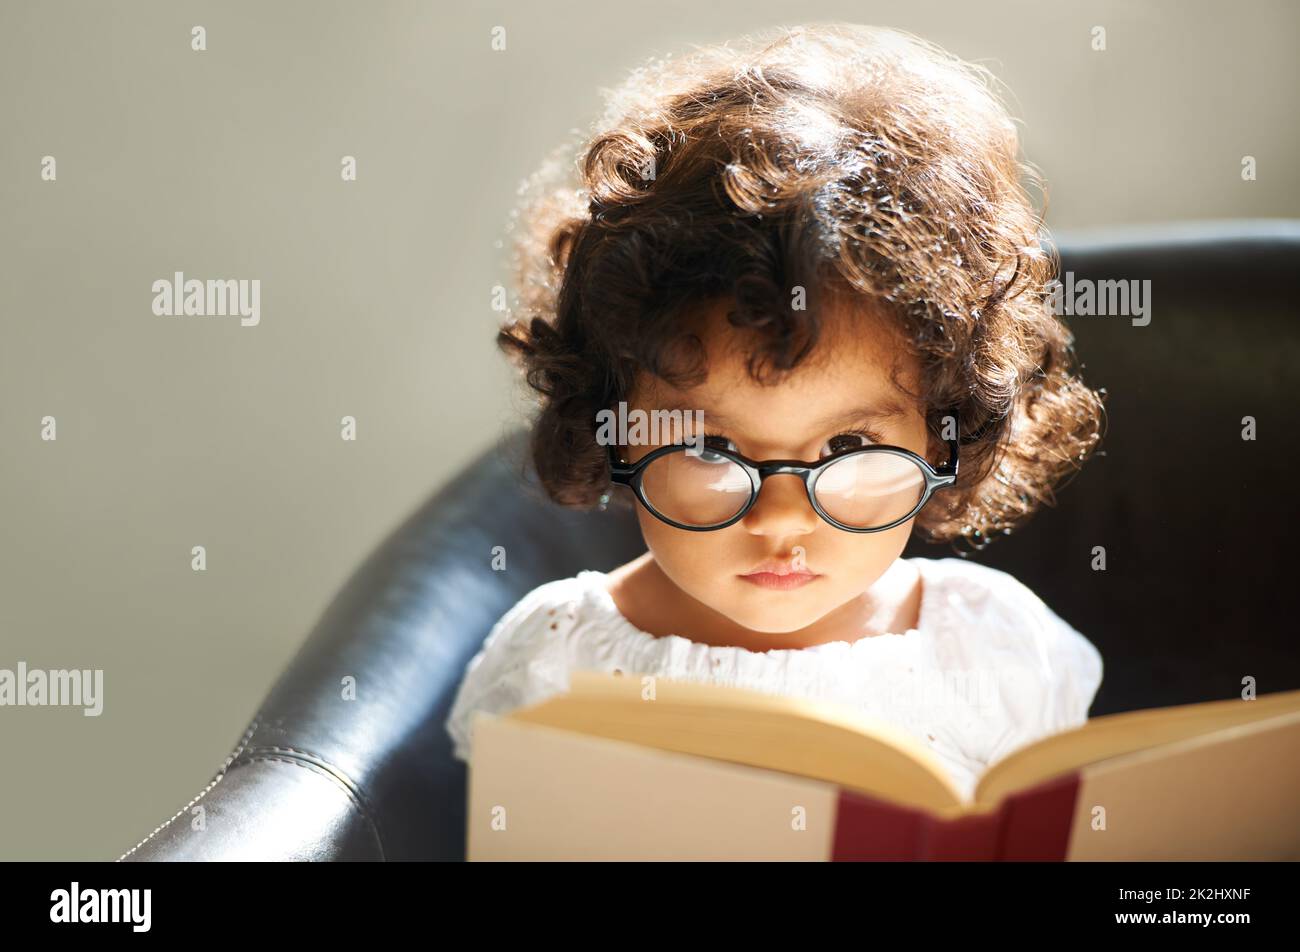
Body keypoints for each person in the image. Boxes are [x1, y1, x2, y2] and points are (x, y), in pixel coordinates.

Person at [446, 23, 1105, 800]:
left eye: (848, 445)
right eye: (711, 449)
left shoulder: (998, 652)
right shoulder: (557, 662)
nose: (783, 518)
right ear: (613, 427)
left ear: (943, 432)